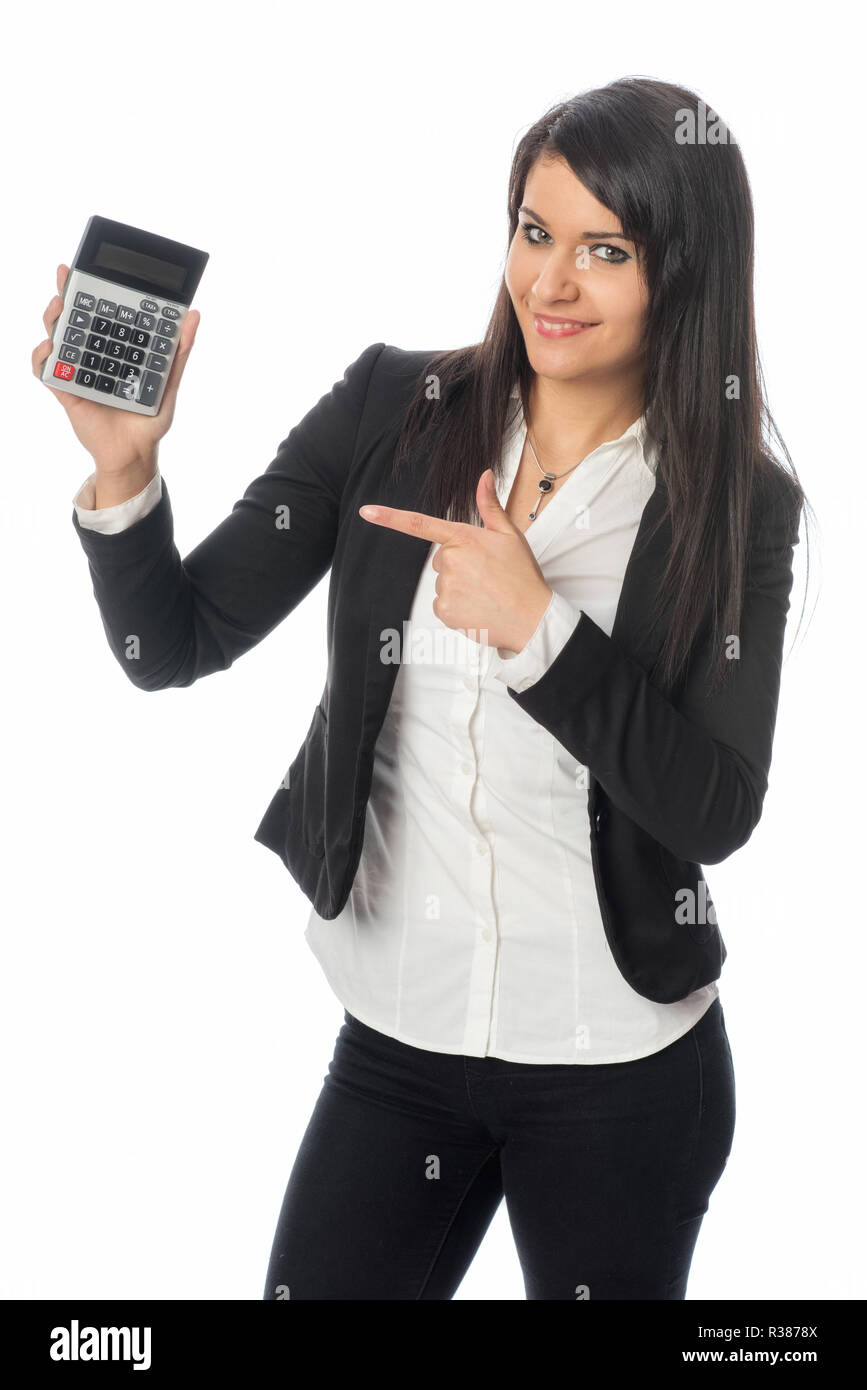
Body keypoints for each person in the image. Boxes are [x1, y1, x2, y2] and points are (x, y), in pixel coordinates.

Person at [32, 76, 809, 1300]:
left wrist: (539, 630)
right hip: (401, 1042)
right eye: (535, 231)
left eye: (605, 250)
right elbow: (172, 642)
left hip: (621, 1067)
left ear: (685, 271)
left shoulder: (740, 505)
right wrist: (124, 468)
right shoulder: (394, 408)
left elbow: (715, 809)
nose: (551, 282)